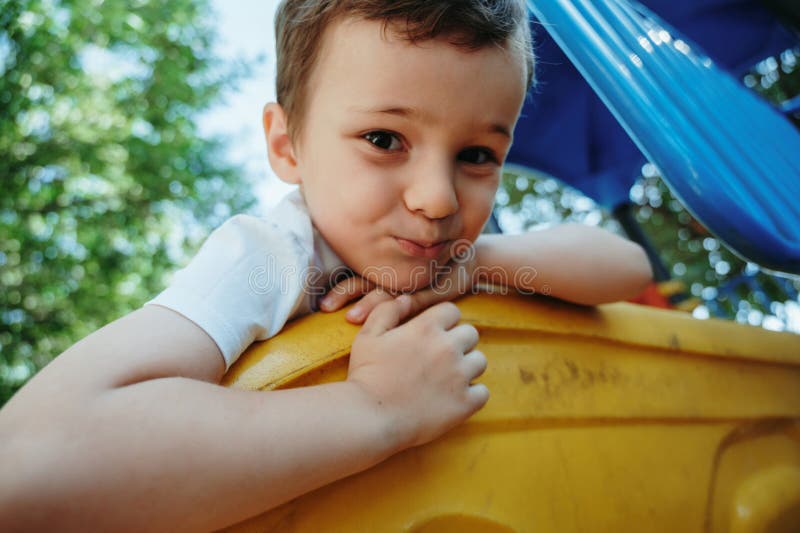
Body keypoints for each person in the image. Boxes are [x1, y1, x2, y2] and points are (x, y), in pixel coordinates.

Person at [0, 1, 653, 530]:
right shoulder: (271, 257)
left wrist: (481, 261)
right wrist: (374, 409)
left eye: (478, 153)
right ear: (288, 146)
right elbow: (29, 462)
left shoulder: (453, 255)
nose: (438, 198)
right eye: (383, 140)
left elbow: (624, 268)